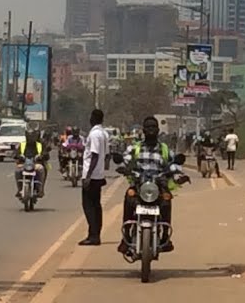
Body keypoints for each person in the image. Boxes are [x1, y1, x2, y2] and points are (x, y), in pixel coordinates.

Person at [118, 116, 188, 254]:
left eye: (153, 127)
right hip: (139, 185)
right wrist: (123, 167)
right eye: (148, 127)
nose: (151, 130)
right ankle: (125, 235)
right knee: (128, 197)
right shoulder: (135, 148)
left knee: (167, 199)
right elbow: (125, 160)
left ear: (157, 130)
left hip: (158, 186)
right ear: (143, 130)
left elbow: (173, 163)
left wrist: (178, 176)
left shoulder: (164, 149)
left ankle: (165, 236)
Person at [79, 108, 108, 246]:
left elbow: (94, 155)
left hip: (93, 175)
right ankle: (96, 233)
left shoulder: (95, 134)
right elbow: (106, 155)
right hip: (99, 174)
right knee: (96, 205)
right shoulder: (104, 133)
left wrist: (88, 175)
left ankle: (93, 235)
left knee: (88, 205)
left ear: (94, 118)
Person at [19, 129, 48, 197]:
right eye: (29, 136)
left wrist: (41, 156)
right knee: (17, 170)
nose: (30, 138)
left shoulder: (40, 144)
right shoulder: (23, 144)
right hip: (25, 163)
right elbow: (17, 152)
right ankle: (19, 189)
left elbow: (45, 153)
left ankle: (40, 189)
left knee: (41, 169)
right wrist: (18, 156)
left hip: (36, 164)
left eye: (32, 136)